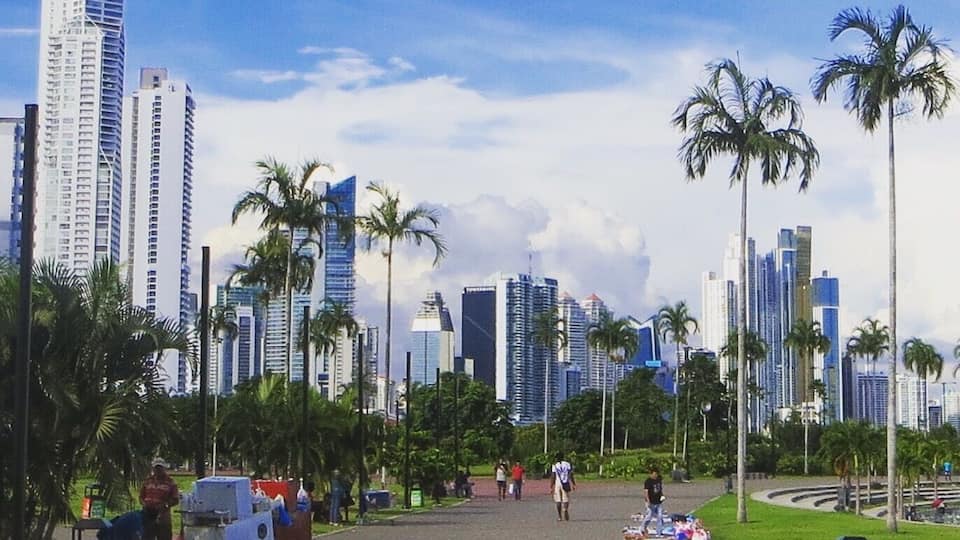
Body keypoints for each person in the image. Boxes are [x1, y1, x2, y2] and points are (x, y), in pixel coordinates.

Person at [139, 458, 179, 540]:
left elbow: (175, 499)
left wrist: (165, 505)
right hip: (147, 514)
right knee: (147, 536)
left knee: (164, 536)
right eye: (156, 468)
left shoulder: (170, 482)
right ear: (153, 469)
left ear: (164, 468)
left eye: (160, 468)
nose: (158, 470)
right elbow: (141, 496)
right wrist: (144, 504)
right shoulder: (148, 480)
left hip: (163, 516)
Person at [550, 452, 575, 521]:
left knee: (558, 500)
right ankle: (565, 509)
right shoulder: (567, 464)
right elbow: (571, 474)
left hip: (558, 483)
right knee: (566, 499)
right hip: (565, 482)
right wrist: (573, 483)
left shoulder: (555, 465)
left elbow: (553, 476)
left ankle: (559, 516)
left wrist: (551, 486)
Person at [641, 468, 665, 537]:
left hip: (658, 502)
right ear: (651, 474)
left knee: (660, 516)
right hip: (651, 502)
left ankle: (659, 532)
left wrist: (662, 496)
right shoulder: (648, 481)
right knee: (649, 516)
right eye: (654, 474)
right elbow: (646, 492)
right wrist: (648, 501)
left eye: (656, 474)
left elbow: (660, 489)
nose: (655, 476)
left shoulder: (659, 479)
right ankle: (643, 528)